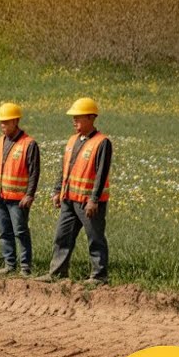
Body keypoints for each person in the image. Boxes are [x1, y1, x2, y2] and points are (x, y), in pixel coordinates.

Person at [43, 97, 113, 285]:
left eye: (78, 118)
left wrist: (94, 199)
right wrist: (57, 190)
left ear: (91, 118)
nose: (74, 121)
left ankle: (99, 276)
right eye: (73, 118)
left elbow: (101, 173)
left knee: (95, 238)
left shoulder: (102, 142)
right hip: (69, 199)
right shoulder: (73, 140)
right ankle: (57, 273)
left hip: (88, 202)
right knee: (62, 236)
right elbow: (64, 167)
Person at [0, 103, 40, 276]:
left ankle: (25, 267)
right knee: (4, 231)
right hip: (0, 195)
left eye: (6, 122)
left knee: (20, 232)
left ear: (15, 121)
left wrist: (29, 194)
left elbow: (34, 172)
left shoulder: (28, 144)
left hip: (18, 199)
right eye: (0, 122)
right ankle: (9, 264)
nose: (2, 126)